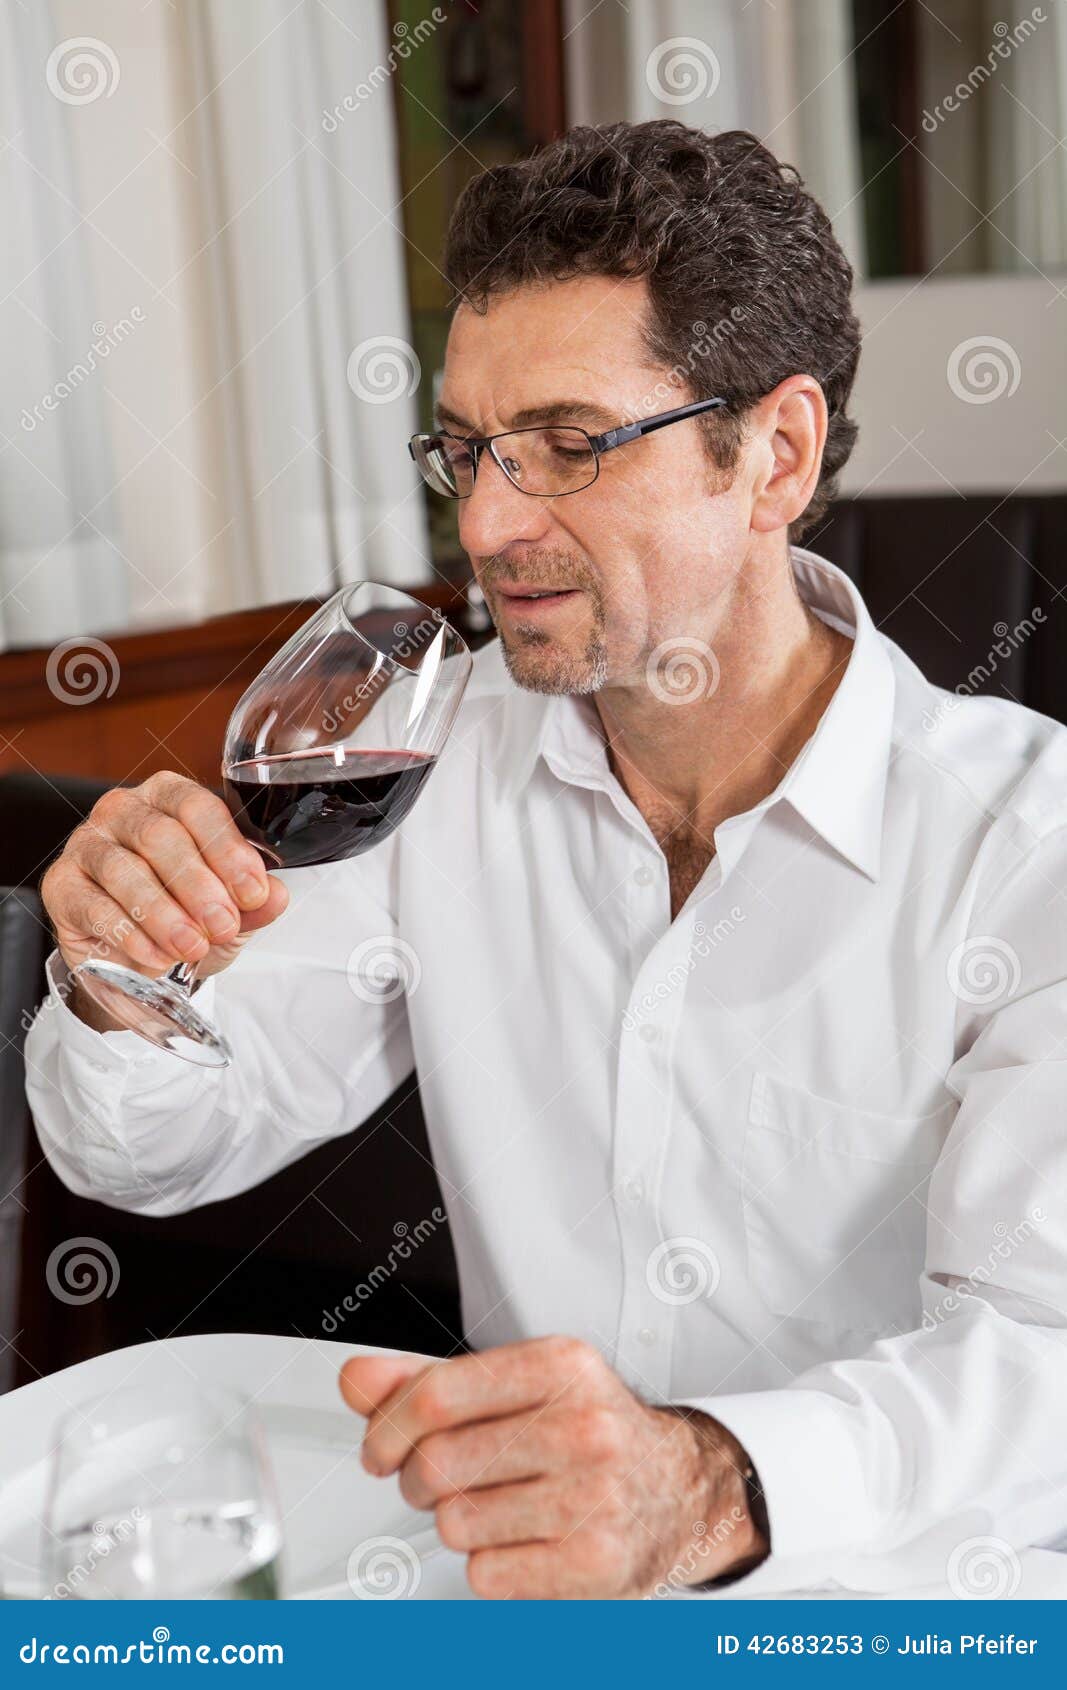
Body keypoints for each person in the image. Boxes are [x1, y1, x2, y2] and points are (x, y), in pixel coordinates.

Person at [26, 122, 1067, 1600]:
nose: (491, 521)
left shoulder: (1033, 852)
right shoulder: (431, 757)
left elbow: (1044, 1366)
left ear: (773, 453)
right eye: (467, 449)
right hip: (531, 1608)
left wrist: (708, 1480)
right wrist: (129, 972)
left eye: (571, 445)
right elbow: (146, 1147)